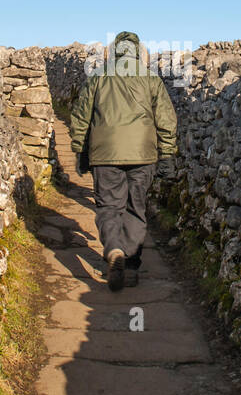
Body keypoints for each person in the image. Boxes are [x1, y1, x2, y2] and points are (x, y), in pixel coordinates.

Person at [69, 31, 177, 291]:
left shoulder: (98, 77)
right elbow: (166, 120)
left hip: (105, 154)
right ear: (138, 52)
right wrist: (168, 155)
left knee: (109, 206)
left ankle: (114, 249)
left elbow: (81, 118)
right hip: (143, 154)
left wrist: (80, 152)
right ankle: (130, 264)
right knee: (135, 207)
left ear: (114, 51)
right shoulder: (151, 78)